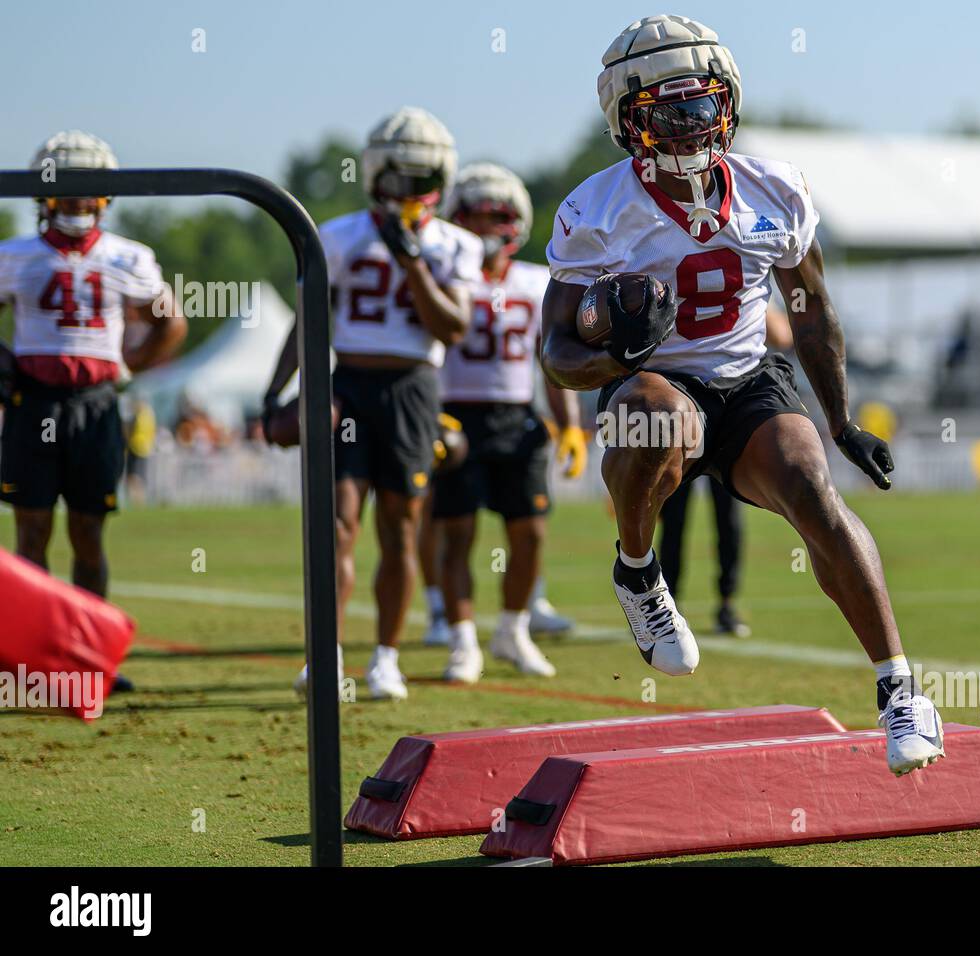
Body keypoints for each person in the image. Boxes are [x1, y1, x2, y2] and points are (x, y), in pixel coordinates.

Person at [538, 15, 943, 775]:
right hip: (655, 386)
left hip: (749, 376)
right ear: (630, 121)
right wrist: (614, 362)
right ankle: (637, 572)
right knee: (655, 416)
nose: (692, 125)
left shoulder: (774, 187)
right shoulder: (595, 207)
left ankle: (901, 693)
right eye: (670, 111)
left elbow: (811, 308)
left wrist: (842, 419)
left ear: (728, 103)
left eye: (702, 106)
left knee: (810, 484)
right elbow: (556, 351)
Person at [264, 107, 480, 701]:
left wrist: (411, 260)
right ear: (373, 176)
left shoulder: (455, 245)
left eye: (418, 180)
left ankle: (386, 658)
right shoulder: (334, 236)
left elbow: (452, 328)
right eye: (397, 179)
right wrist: (276, 389)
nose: (406, 192)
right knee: (336, 526)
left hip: (413, 389)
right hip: (349, 384)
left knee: (402, 530)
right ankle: (326, 656)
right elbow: (307, 320)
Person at [0, 131, 187, 696]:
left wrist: (128, 367)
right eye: (68, 192)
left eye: (88, 193)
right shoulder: (14, 255)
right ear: (44, 196)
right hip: (33, 401)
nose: (79, 203)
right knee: (31, 531)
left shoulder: (127, 257)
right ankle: (24, 665)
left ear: (105, 197)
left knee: (88, 532)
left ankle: (89, 661)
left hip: (96, 405)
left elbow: (171, 322)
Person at [420, 163, 587, 682]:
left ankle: (512, 630)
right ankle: (462, 640)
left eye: (499, 217)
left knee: (531, 533)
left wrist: (572, 425)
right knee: (457, 534)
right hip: (455, 417)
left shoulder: (538, 280)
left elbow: (554, 362)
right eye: (478, 217)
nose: (490, 228)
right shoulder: (443, 276)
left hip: (519, 418)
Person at [656, 305, 793, 637]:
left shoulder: (739, 289)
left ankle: (727, 601)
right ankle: (669, 604)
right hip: (684, 409)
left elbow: (783, 337)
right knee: (672, 517)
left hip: (728, 411)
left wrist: (757, 303)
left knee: (728, 516)